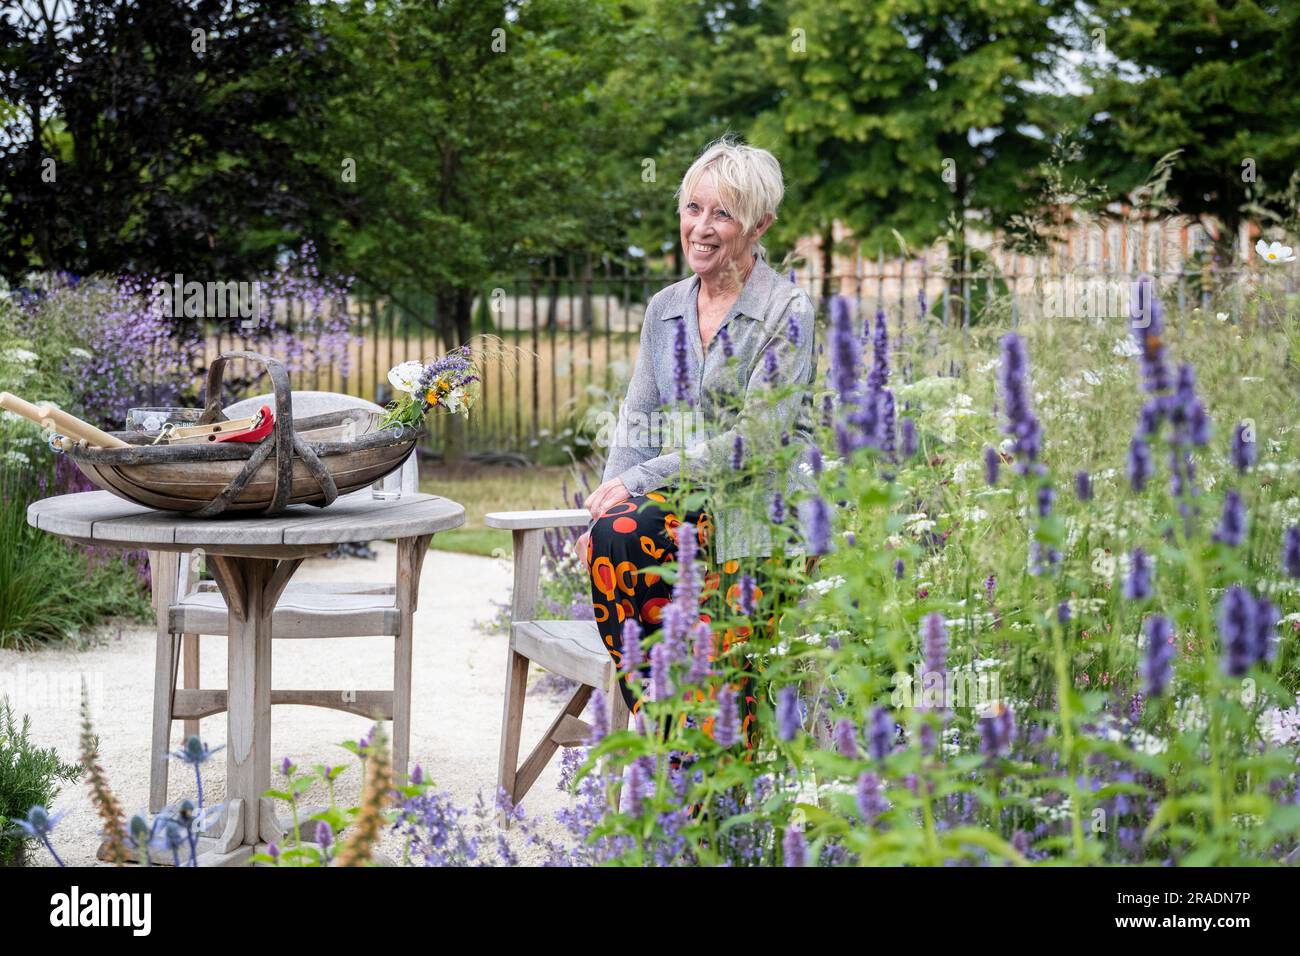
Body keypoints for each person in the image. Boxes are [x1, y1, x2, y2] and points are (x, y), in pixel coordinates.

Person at [574, 135, 819, 761]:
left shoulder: (786, 311)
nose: (701, 228)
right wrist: (604, 505)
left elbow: (756, 446)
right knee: (614, 539)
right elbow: (637, 422)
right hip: (684, 509)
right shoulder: (666, 308)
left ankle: (715, 786)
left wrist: (639, 481)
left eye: (723, 214)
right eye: (692, 209)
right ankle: (671, 738)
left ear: (760, 225)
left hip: (756, 513)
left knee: (724, 622)